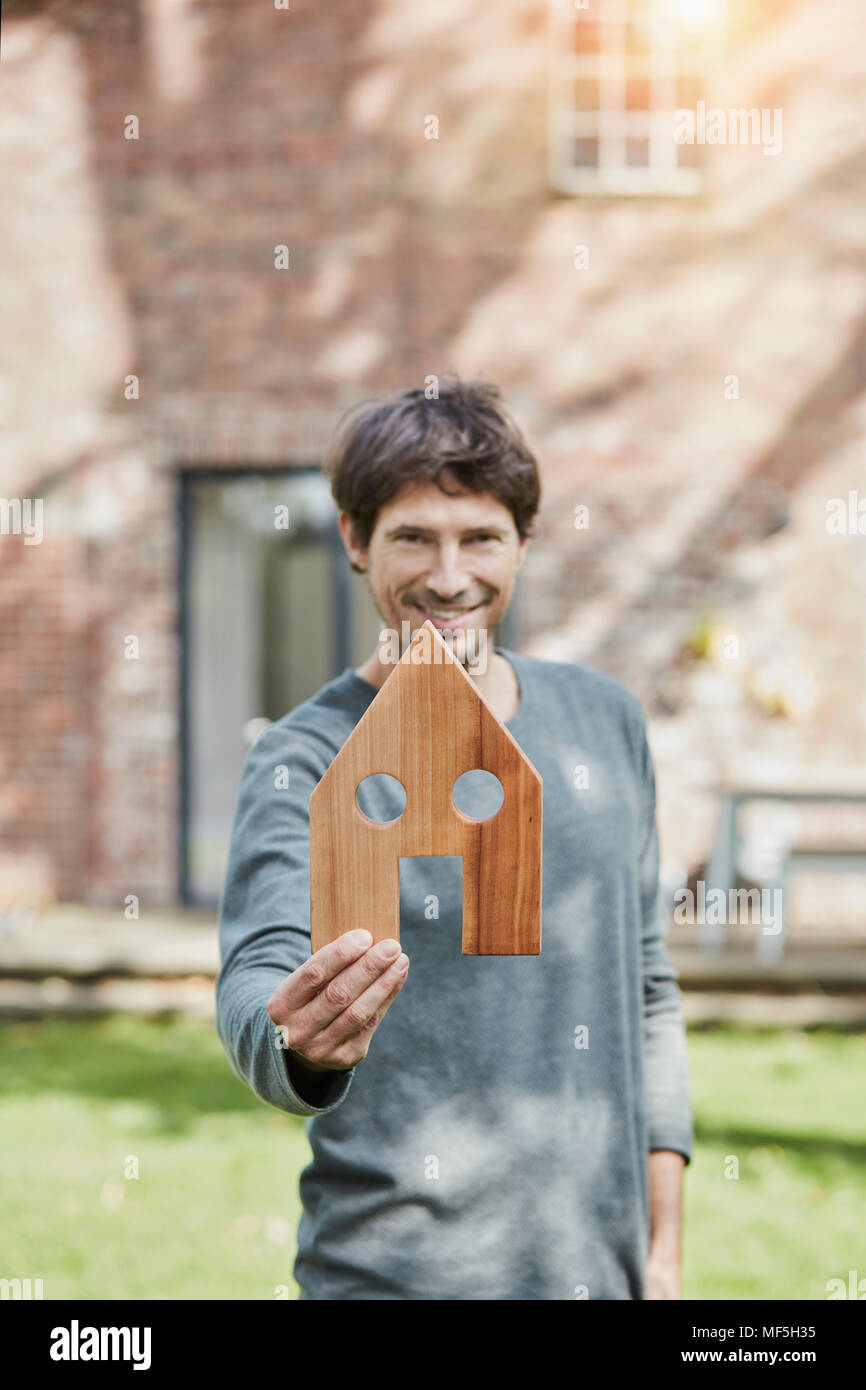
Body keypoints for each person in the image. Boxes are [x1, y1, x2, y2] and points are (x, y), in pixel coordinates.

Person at [216, 376, 693, 1300]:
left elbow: (647, 991)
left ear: (521, 543)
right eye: (412, 538)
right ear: (355, 540)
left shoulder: (606, 722)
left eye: (479, 537)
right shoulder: (304, 755)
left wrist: (662, 1251)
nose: (447, 576)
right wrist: (298, 1044)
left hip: (597, 1276)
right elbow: (260, 975)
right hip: (392, 1275)